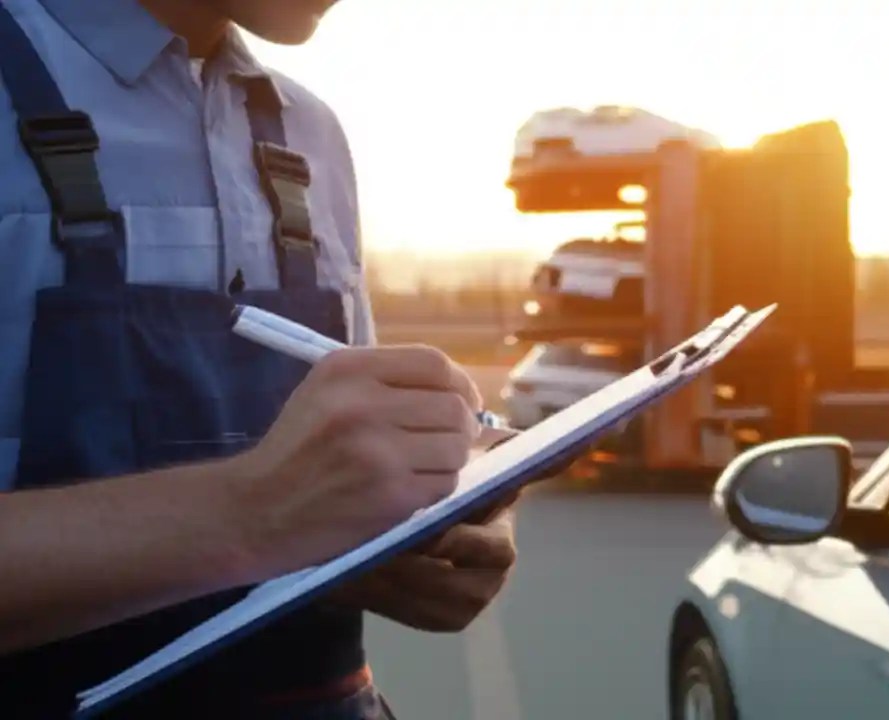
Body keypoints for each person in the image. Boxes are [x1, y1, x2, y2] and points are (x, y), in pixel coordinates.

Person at [0, 0, 518, 717]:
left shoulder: (311, 134)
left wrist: (414, 526)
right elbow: (279, 508)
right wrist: (257, 515)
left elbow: (342, 486)